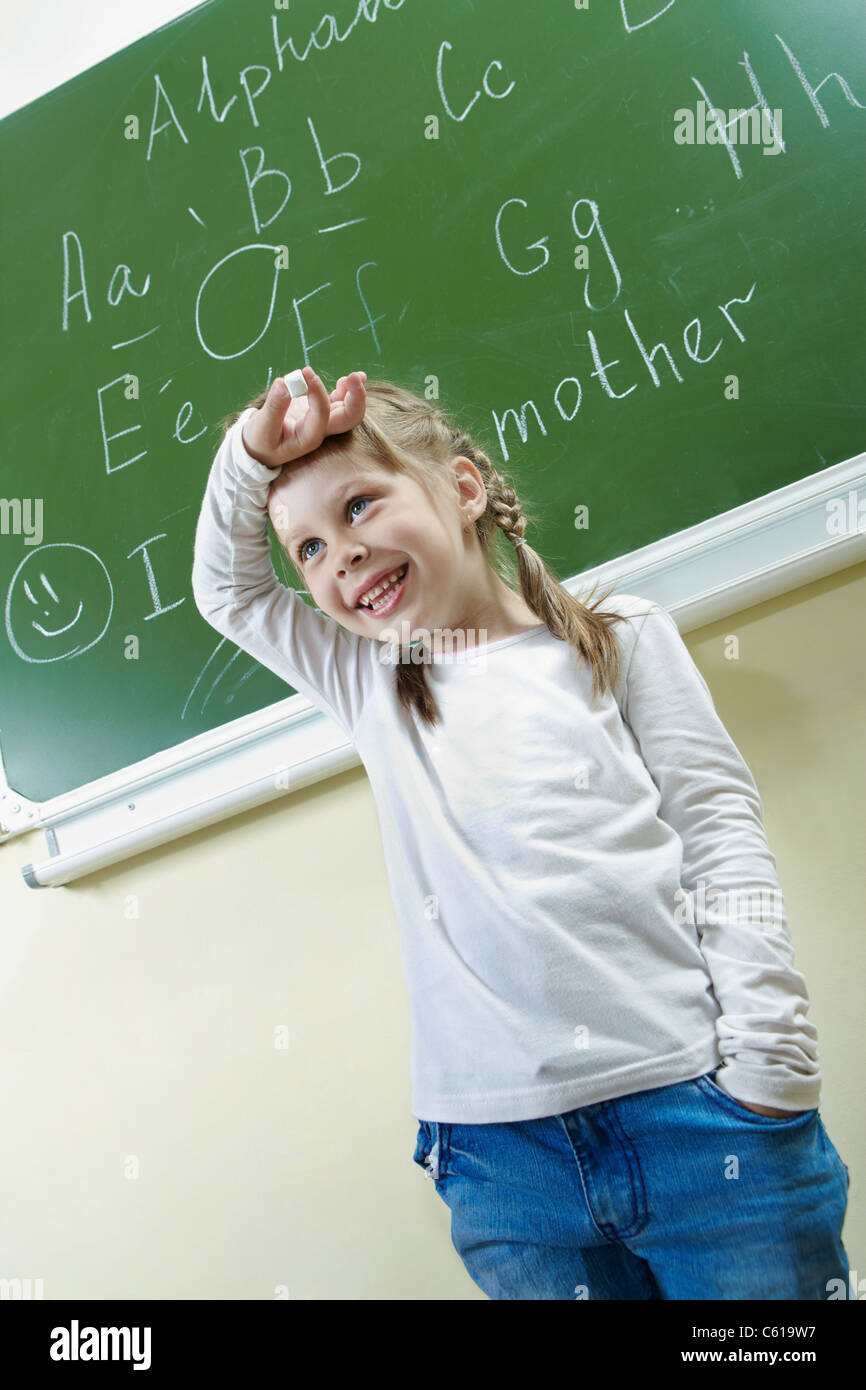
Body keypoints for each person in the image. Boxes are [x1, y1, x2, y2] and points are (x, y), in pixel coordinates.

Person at [191, 365, 851, 1300]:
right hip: (506, 1165)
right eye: (306, 548)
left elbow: (720, 836)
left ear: (462, 491)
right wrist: (249, 457)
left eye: (361, 507)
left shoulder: (620, 638)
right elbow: (229, 592)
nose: (339, 553)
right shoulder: (371, 685)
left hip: (703, 1119)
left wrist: (770, 1067)